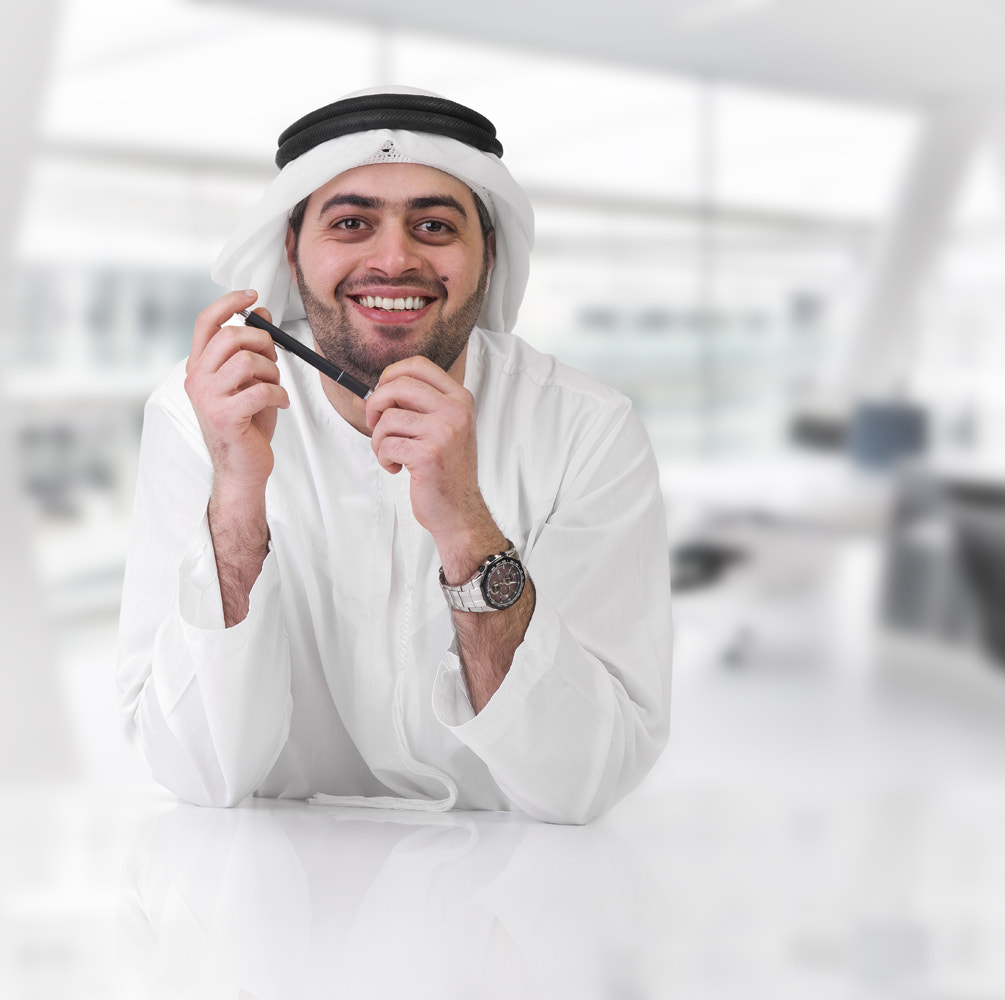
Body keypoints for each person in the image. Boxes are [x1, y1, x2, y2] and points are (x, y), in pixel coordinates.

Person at [117, 87, 672, 824]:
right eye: (351, 223)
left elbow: (582, 781)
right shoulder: (202, 415)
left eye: (434, 226)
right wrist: (236, 500)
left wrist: (467, 529)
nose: (393, 259)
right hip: (266, 889)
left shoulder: (586, 429)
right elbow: (196, 770)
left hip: (512, 896)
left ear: (488, 254)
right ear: (292, 250)